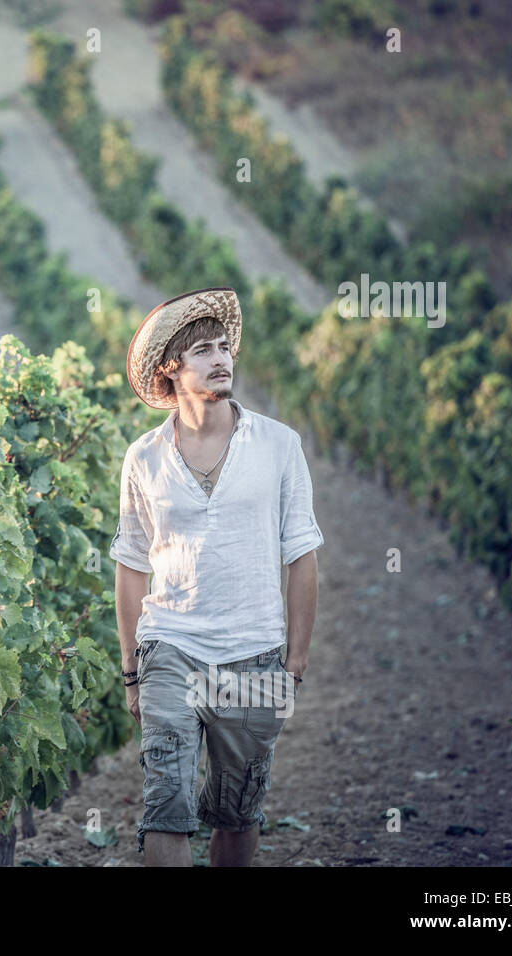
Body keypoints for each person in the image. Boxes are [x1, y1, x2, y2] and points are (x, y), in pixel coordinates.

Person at [109, 287, 322, 867]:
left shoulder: (280, 445)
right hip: (170, 649)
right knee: (165, 806)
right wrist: (132, 671)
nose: (221, 358)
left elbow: (301, 556)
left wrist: (294, 667)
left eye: (224, 346)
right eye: (203, 350)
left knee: (237, 813)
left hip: (255, 654)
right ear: (170, 370)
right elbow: (131, 566)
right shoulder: (143, 458)